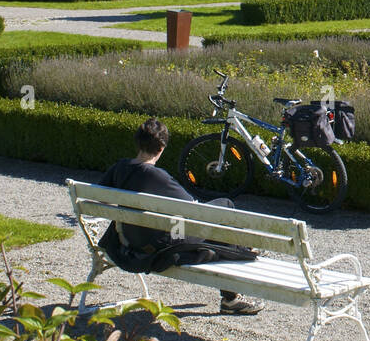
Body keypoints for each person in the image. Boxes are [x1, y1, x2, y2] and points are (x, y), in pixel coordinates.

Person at [97, 118, 262, 315]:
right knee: (225, 206)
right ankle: (232, 295)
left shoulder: (120, 167)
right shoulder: (159, 177)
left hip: (129, 241)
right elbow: (193, 209)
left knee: (216, 231)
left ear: (138, 143)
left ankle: (234, 285)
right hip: (165, 243)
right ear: (162, 147)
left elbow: (101, 200)